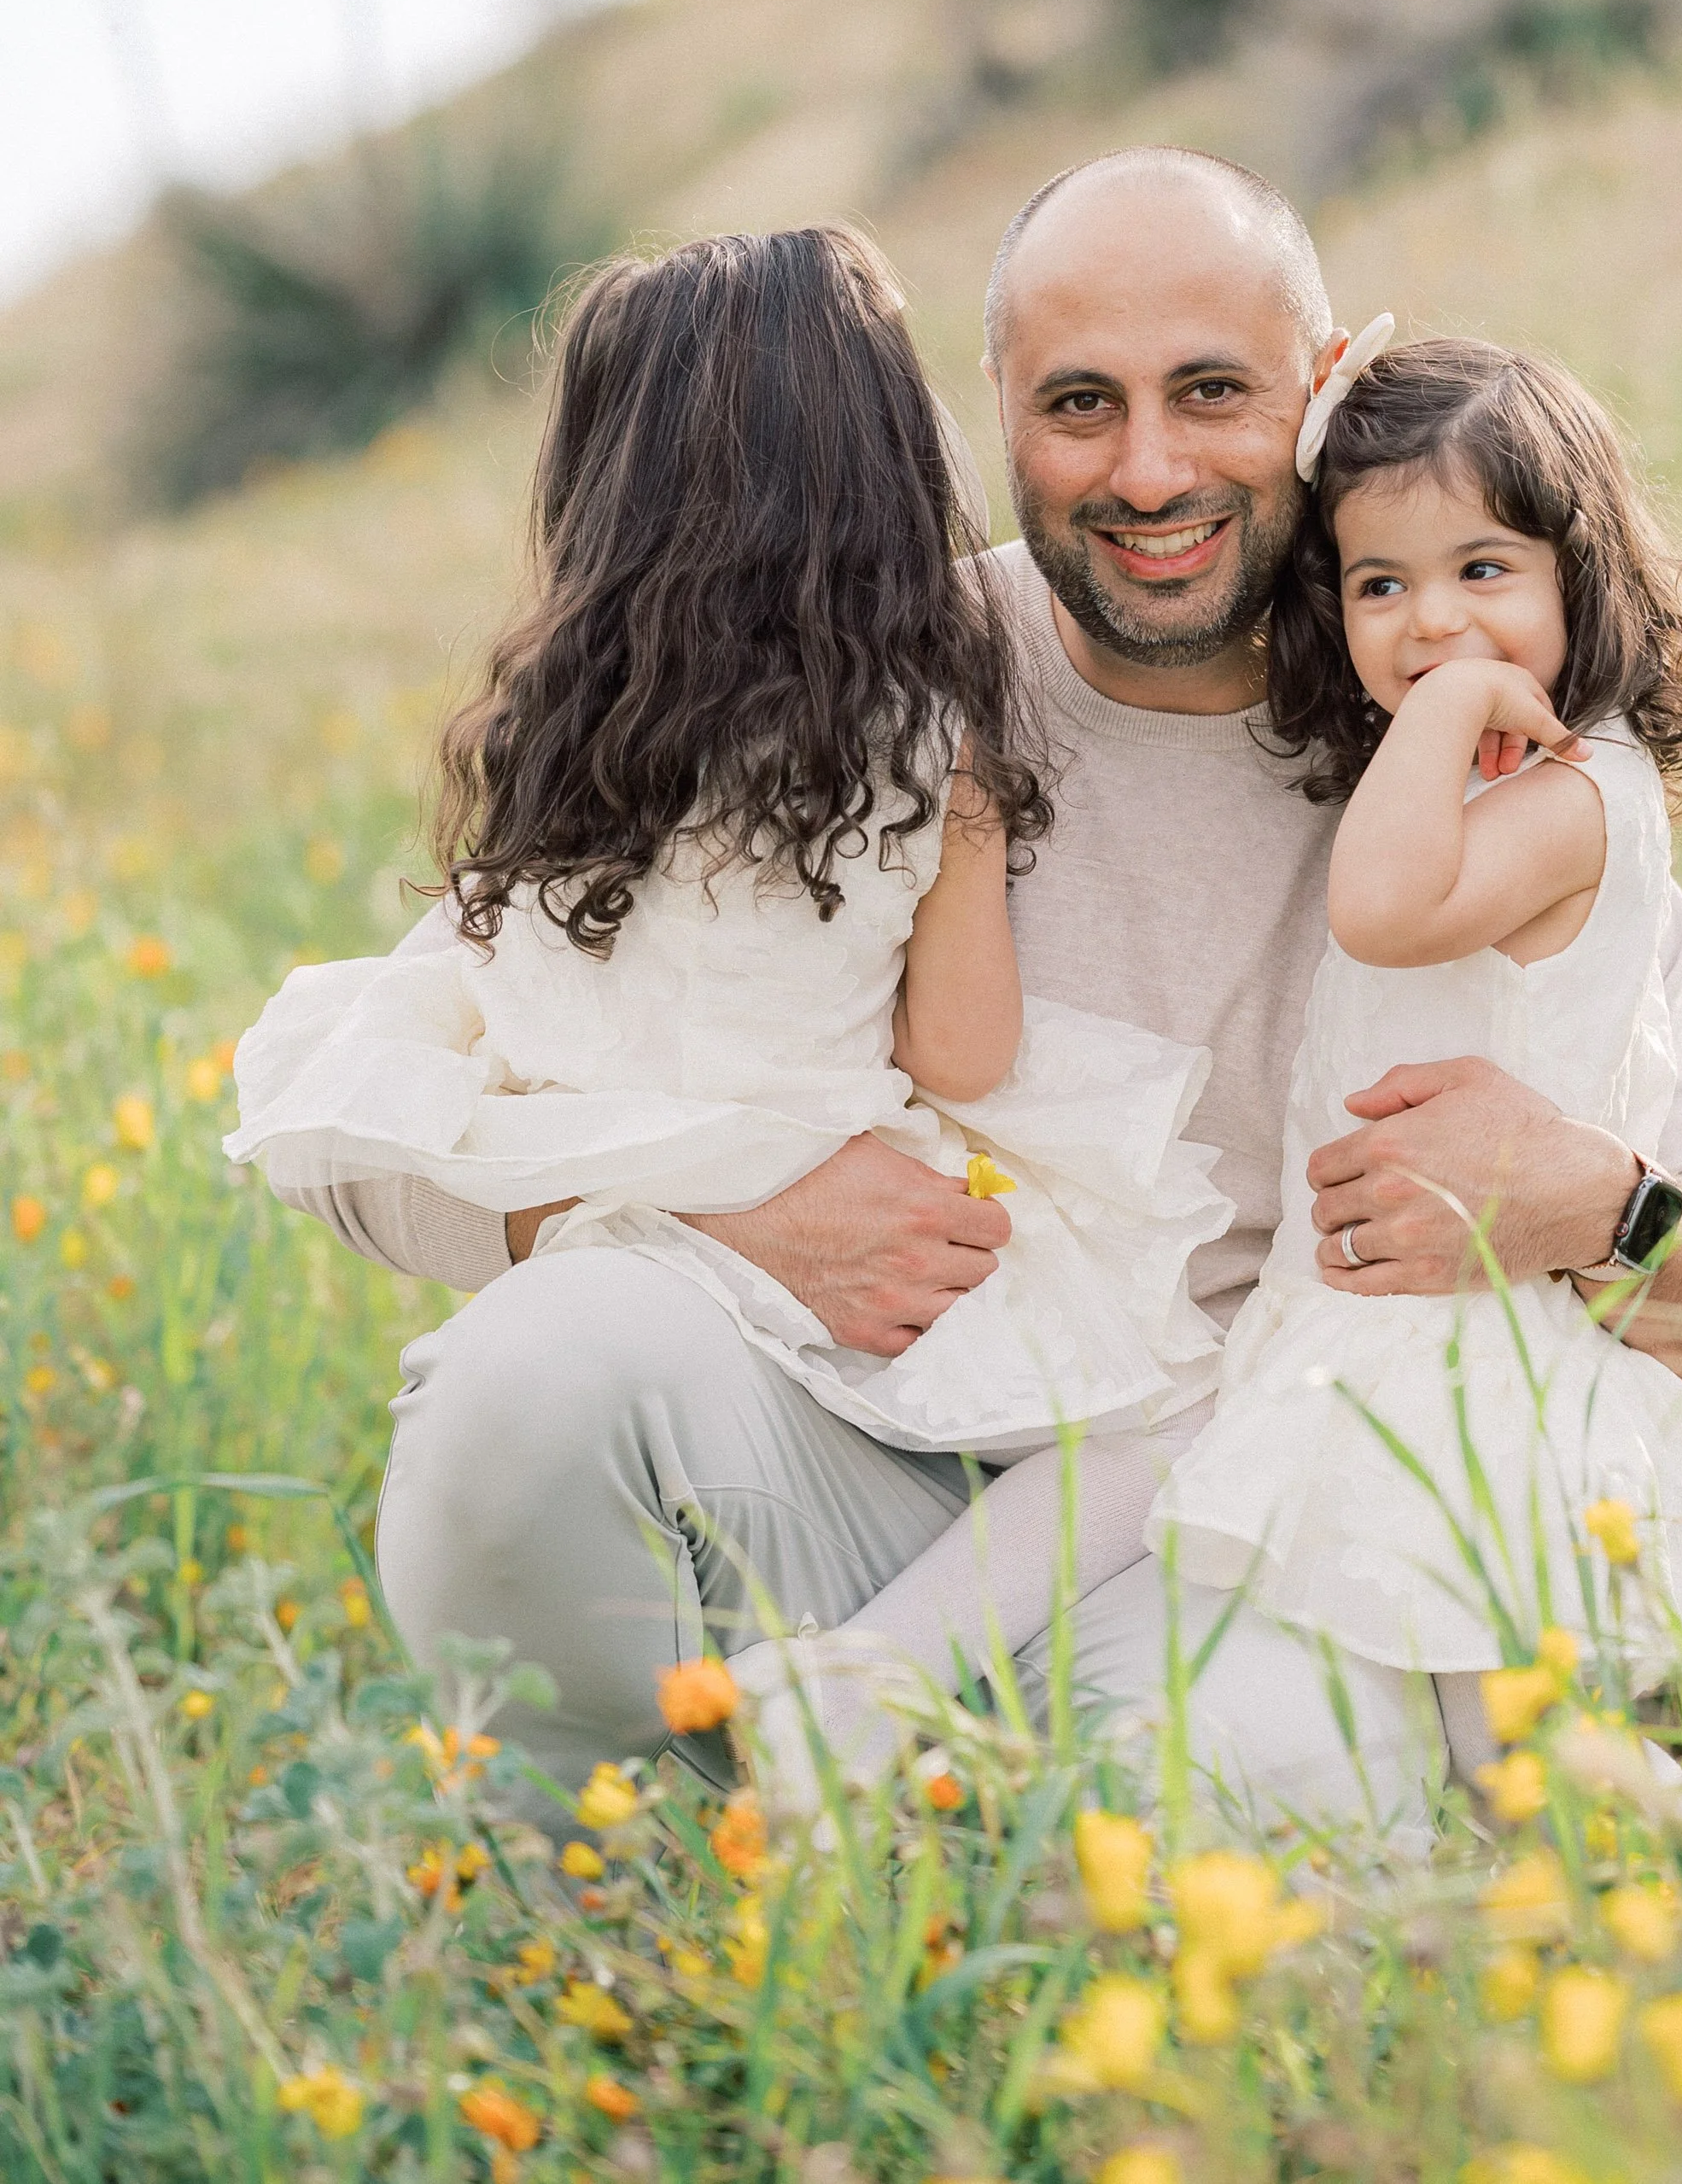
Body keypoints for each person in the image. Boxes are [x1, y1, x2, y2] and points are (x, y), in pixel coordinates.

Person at [252, 149, 1682, 1822]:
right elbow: (353, 1137)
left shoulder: (1492, 760)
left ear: (1320, 395)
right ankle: (587, 1890)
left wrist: (1601, 1210)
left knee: (1272, 1786)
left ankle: (942, 1849)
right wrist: (728, 1215)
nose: (1148, 470)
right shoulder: (847, 684)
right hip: (852, 1465)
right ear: (992, 416)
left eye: (1209, 394)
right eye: (1080, 405)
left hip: (1221, 1535)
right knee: (536, 1377)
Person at [227, 226, 1229, 1771]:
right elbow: (963, 1048)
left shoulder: (551, 745)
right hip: (825, 1254)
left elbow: (453, 1056)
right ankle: (872, 1683)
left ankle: (670, 1797)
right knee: (1160, 1416)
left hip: (605, 1226)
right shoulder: (918, 742)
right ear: (889, 460)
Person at [1151, 330, 1682, 1683]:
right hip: (1388, 1305)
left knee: (1502, 1677)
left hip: (1474, 1319)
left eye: (1483, 571)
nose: (1432, 623)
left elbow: (1383, 909)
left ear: (1581, 576)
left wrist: (1443, 711)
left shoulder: (1571, 791)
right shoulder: (1494, 785)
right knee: (1459, 1667)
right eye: (1382, 584)